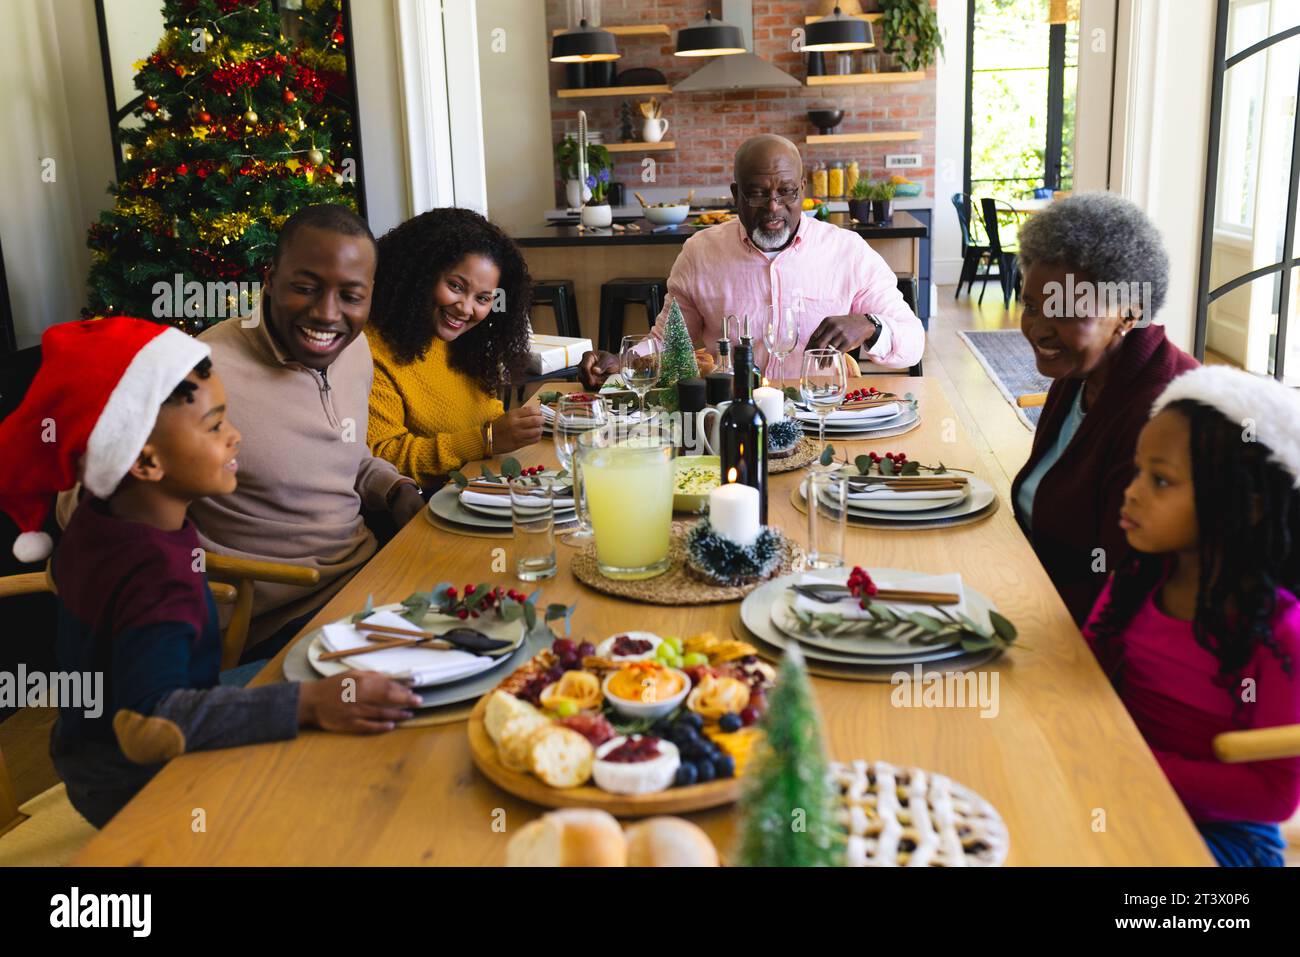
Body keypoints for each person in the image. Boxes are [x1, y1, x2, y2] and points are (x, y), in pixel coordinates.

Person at [0, 316, 420, 827]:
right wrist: (307, 705)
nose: (235, 436)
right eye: (215, 424)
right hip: (139, 787)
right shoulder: (154, 574)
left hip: (85, 751)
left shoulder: (102, 516)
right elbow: (156, 721)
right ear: (146, 462)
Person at [1083, 366, 1300, 866]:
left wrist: (1132, 764)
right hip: (1117, 792)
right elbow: (1083, 672)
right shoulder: (1135, 583)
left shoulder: (1279, 633)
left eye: (1161, 481)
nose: (1132, 492)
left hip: (1224, 838)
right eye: (1138, 471)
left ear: (1248, 506)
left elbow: (1273, 794)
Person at [189, 204, 425, 654]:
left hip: (364, 574)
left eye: (351, 296)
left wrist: (393, 488)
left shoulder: (353, 349)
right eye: (304, 288)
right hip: (273, 619)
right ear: (270, 276)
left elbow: (343, 453)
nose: (326, 314)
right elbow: (105, 501)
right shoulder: (201, 372)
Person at [578, 133, 924, 389]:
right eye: (758, 193)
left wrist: (871, 325)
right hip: (729, 413)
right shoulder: (700, 253)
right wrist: (624, 362)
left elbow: (913, 343)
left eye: (785, 191)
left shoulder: (848, 252)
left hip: (820, 413)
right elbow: (669, 342)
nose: (773, 206)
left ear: (801, 190)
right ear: (735, 195)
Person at [1010, 192, 1198, 624]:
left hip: (1087, 650)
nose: (1039, 328)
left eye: (1068, 310)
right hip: (1036, 600)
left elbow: (1121, 588)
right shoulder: (1079, 376)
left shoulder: (1159, 416)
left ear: (1128, 313)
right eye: (1032, 306)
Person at [365, 208, 543, 487]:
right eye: (456, 286)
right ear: (422, 273)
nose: (465, 308)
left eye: (483, 298)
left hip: (479, 491)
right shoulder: (372, 351)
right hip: (423, 514)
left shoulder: (465, 343)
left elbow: (486, 418)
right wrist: (486, 440)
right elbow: (383, 458)